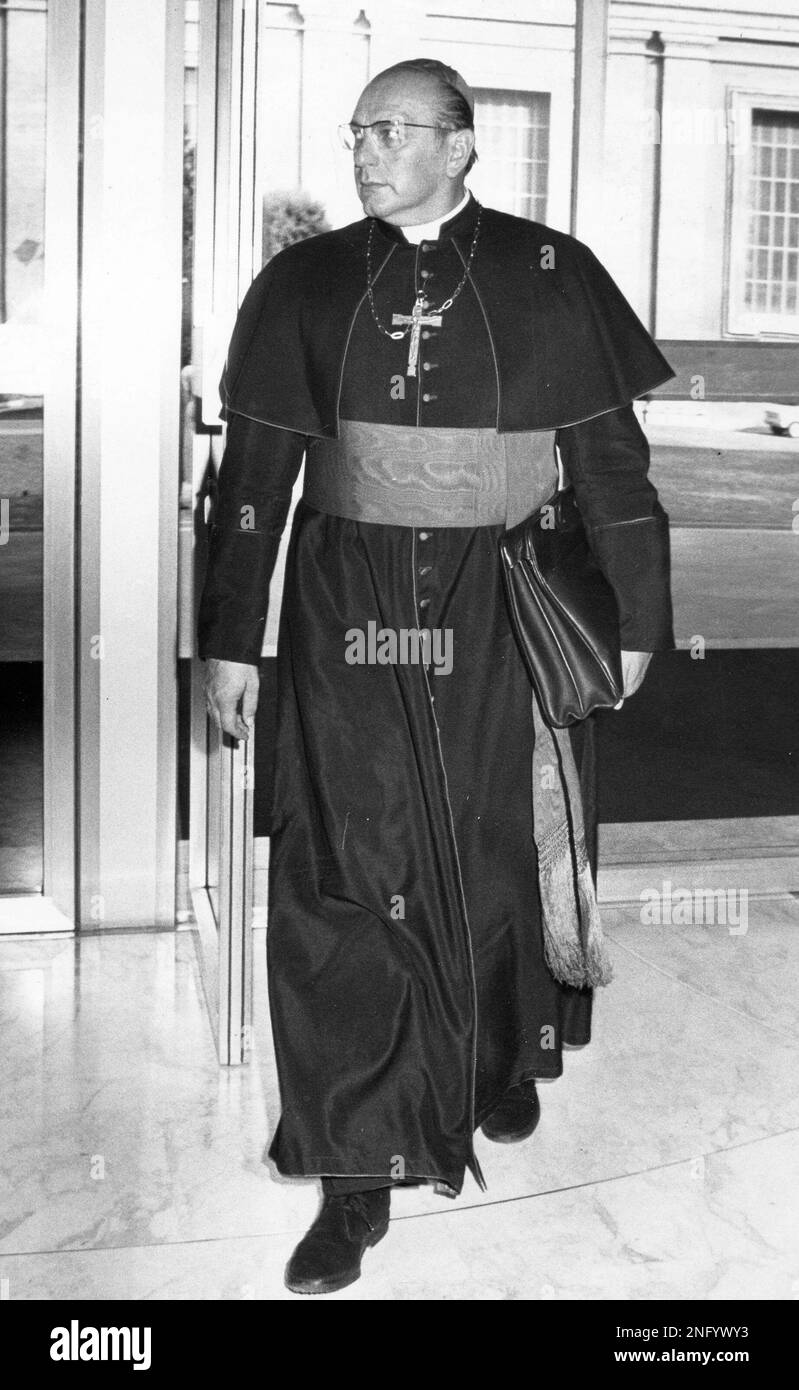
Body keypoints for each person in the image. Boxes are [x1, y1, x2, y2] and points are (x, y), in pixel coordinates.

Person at [198, 56, 674, 1296]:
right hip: (342, 607)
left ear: (462, 146)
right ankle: (355, 1173)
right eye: (359, 130)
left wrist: (637, 622)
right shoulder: (302, 283)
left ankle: (493, 1061)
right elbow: (248, 490)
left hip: (495, 606)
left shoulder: (550, 273)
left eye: (395, 130)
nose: (366, 150)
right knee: (337, 863)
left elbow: (614, 472)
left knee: (487, 849)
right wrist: (227, 641)